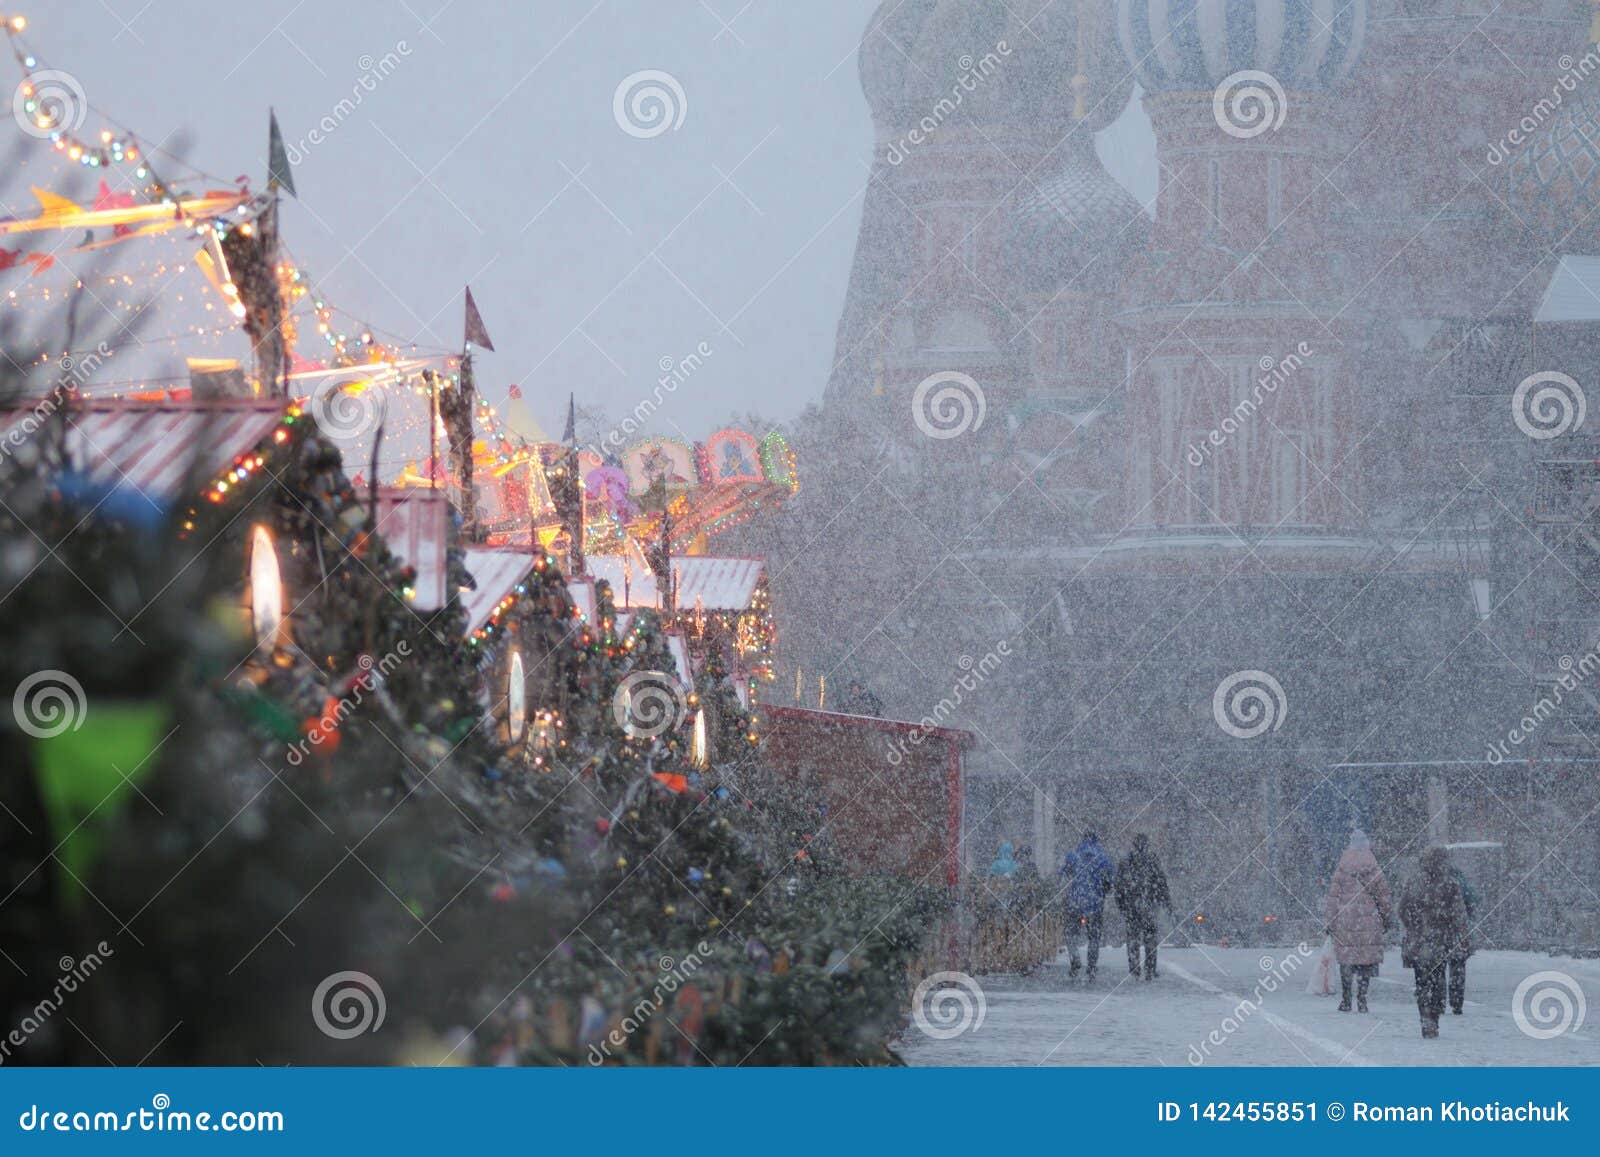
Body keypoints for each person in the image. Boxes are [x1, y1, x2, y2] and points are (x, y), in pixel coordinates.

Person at [1400, 846, 1471, 1039]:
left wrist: (1413, 925)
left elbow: (1402, 909)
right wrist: (1461, 934)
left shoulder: (1414, 882)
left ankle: (1425, 1016)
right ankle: (1434, 1016)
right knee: (1438, 978)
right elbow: (1459, 914)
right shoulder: (1450, 884)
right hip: (1441, 940)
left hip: (1418, 940)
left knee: (1422, 980)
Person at [1323, 830, 1392, 1013]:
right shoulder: (1374, 869)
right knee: (1365, 961)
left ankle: (1346, 999)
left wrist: (1330, 921)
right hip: (1369, 920)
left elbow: (1333, 899)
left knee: (1346, 959)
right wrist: (1386, 918)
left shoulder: (1341, 869)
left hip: (1345, 920)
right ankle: (1362, 999)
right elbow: (1384, 897)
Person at [1115, 833, 1172, 980]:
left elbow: (1119, 885)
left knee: (1133, 938)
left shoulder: (1126, 862)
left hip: (1131, 906)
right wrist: (1165, 901)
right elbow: (1161, 883)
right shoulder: (1153, 860)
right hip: (1149, 906)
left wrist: (1121, 904)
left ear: (1134, 845)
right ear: (1147, 845)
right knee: (1150, 938)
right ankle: (1150, 968)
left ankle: (1134, 968)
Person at [1060, 831, 1115, 980]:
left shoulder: (1073, 856)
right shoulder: (1103, 858)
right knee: (1094, 937)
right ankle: (1091, 967)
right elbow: (1111, 879)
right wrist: (1103, 889)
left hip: (1075, 902)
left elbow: (1063, 874)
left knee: (1071, 933)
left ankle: (1075, 958)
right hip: (1095, 904)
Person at [1446, 853, 1478, 1015]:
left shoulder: (1429, 879)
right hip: (1458, 929)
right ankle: (1457, 1000)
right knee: (1458, 964)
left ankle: (1436, 998)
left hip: (1435, 931)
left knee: (1436, 966)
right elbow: (1474, 899)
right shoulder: (1459, 879)